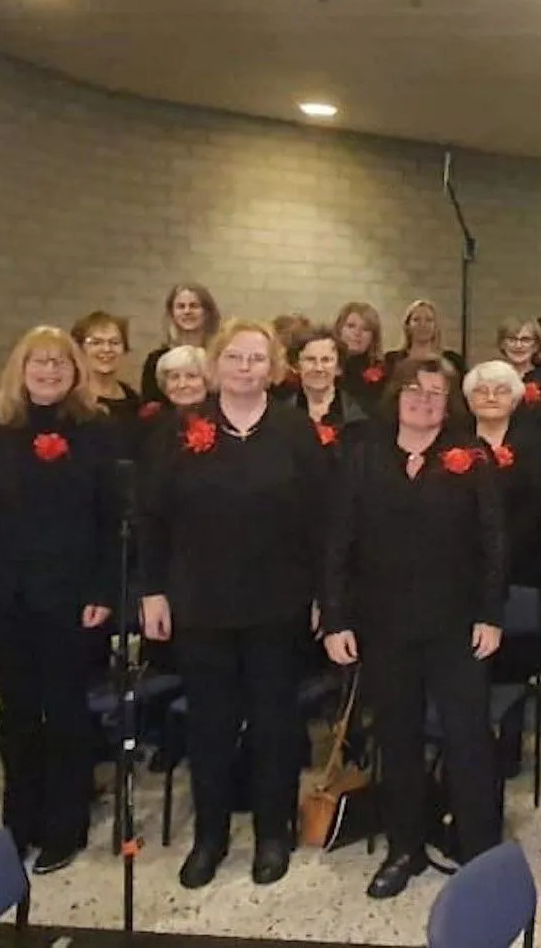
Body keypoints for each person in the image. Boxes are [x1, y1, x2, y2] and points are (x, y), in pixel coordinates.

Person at [136, 319, 336, 888]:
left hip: (277, 601)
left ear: (273, 369)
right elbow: (152, 519)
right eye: (235, 358)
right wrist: (153, 590)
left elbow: (323, 523)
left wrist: (325, 595)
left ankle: (274, 833)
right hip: (201, 601)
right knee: (210, 724)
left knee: (275, 722)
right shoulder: (180, 431)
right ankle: (211, 837)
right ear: (215, 365)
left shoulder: (296, 432)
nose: (246, 368)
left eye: (257, 359)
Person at [322, 357, 507, 900]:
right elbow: (337, 543)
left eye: (435, 392)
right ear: (395, 397)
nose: (424, 400)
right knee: (397, 739)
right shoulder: (362, 456)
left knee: (468, 738)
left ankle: (480, 852)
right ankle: (405, 846)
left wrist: (491, 614)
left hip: (457, 626)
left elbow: (494, 543)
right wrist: (336, 618)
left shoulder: (473, 459)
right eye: (414, 390)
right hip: (384, 626)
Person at [0, 326, 126, 874]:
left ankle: (64, 826)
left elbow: (110, 519)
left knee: (65, 713)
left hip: (69, 595)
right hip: (7, 594)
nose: (48, 371)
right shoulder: (2, 431)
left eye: (59, 363)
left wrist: (101, 589)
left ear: (74, 371)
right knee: (17, 714)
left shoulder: (96, 431)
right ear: (20, 370)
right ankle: (18, 821)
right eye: (37, 363)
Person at [465, 359, 541, 776]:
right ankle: (471, 743)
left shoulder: (537, 447)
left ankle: (509, 746)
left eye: (501, 390)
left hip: (523, 568)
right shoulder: (455, 446)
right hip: (467, 576)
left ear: (516, 398)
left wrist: (505, 552)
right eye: (482, 390)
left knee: (513, 659)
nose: (491, 397)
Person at [138, 283, 219, 401]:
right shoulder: (155, 360)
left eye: (194, 306)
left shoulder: (219, 358)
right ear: (172, 314)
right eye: (181, 306)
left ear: (207, 312)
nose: (187, 311)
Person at [290, 330, 367, 443]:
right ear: (297, 366)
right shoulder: (280, 417)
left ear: (338, 368)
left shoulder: (359, 419)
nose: (318, 368)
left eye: (326, 360)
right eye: (310, 360)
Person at [72, 310, 143, 423]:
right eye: (96, 343)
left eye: (114, 342)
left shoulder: (133, 400)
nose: (106, 349)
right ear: (80, 348)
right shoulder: (70, 401)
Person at [328, 301, 387, 402]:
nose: (357, 333)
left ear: (373, 337)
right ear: (339, 329)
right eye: (351, 326)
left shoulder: (383, 374)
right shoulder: (324, 365)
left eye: (365, 329)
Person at [394, 299, 466, 370]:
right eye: (416, 320)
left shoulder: (453, 361)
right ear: (407, 326)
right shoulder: (392, 360)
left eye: (429, 320)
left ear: (435, 326)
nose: (423, 325)